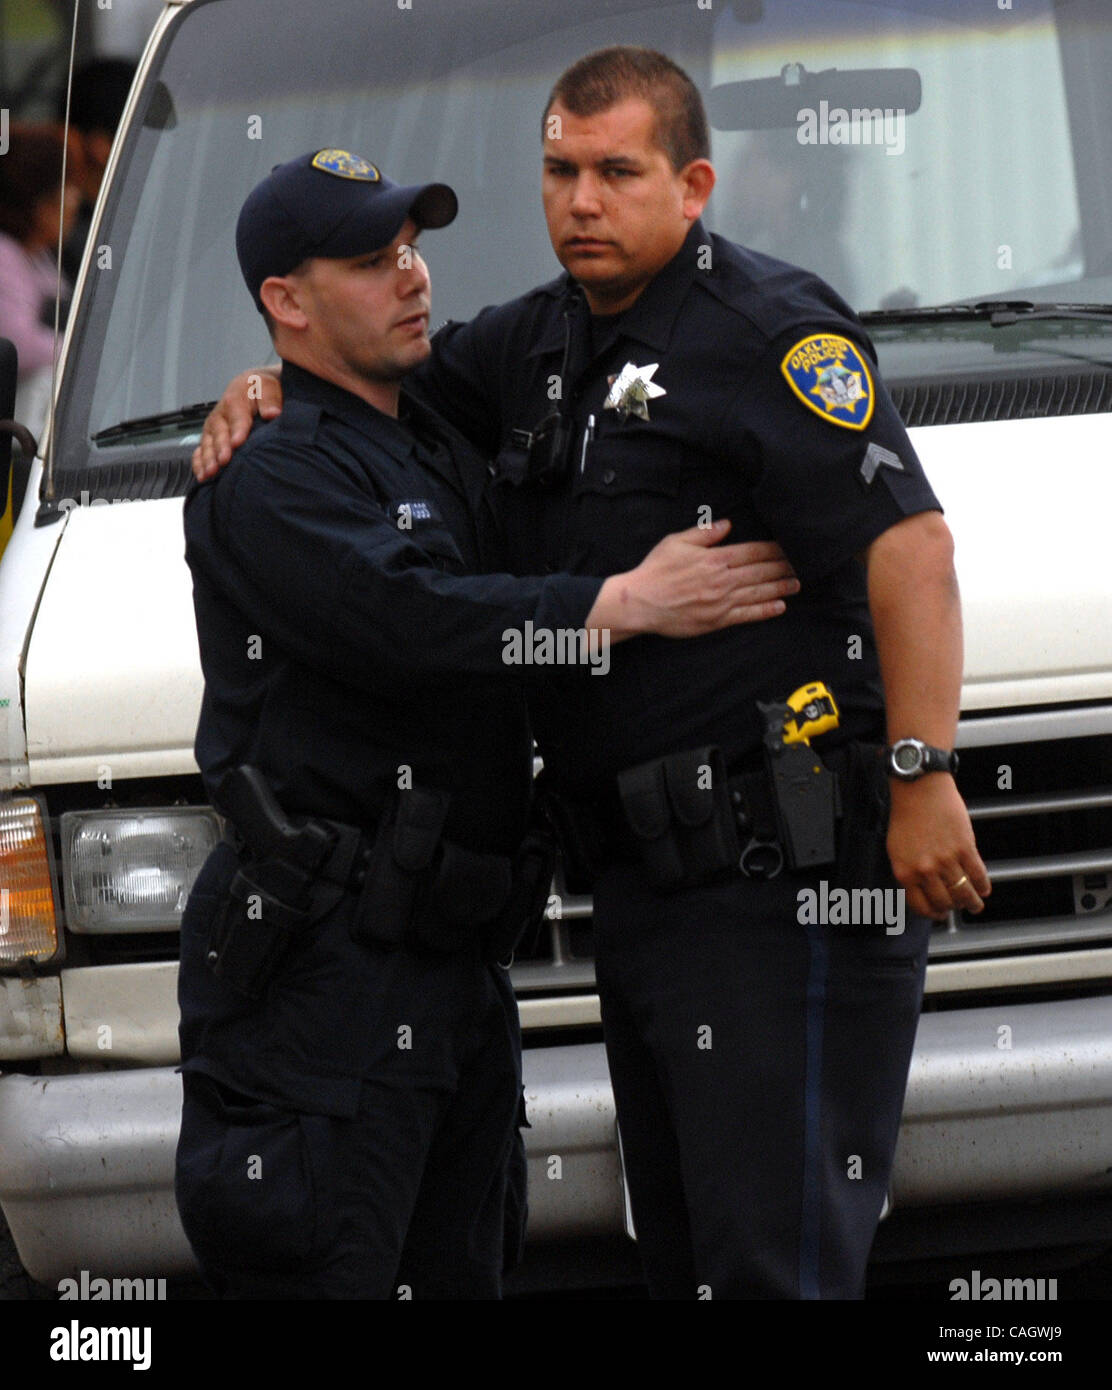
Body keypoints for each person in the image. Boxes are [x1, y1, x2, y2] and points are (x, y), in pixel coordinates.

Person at [195, 47, 991, 1300]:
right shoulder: (528, 347)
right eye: (559, 170)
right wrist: (259, 386)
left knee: (771, 1263)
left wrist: (921, 770)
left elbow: (916, 552)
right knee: (688, 1262)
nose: (579, 200)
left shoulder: (767, 331)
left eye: (616, 172)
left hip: (777, 887)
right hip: (636, 897)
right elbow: (367, 423)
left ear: (692, 185)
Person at [177, 146, 799, 1300]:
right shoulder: (267, 475)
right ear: (286, 302)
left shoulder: (432, 436)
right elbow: (408, 619)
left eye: (411, 250)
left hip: (452, 964)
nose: (411, 277)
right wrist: (617, 609)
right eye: (371, 260)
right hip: (325, 979)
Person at [0, 123, 81, 435]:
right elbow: (18, 345)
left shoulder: (41, 258)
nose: (74, 199)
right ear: (36, 197)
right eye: (66, 187)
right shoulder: (5, 256)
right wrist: (84, 353)